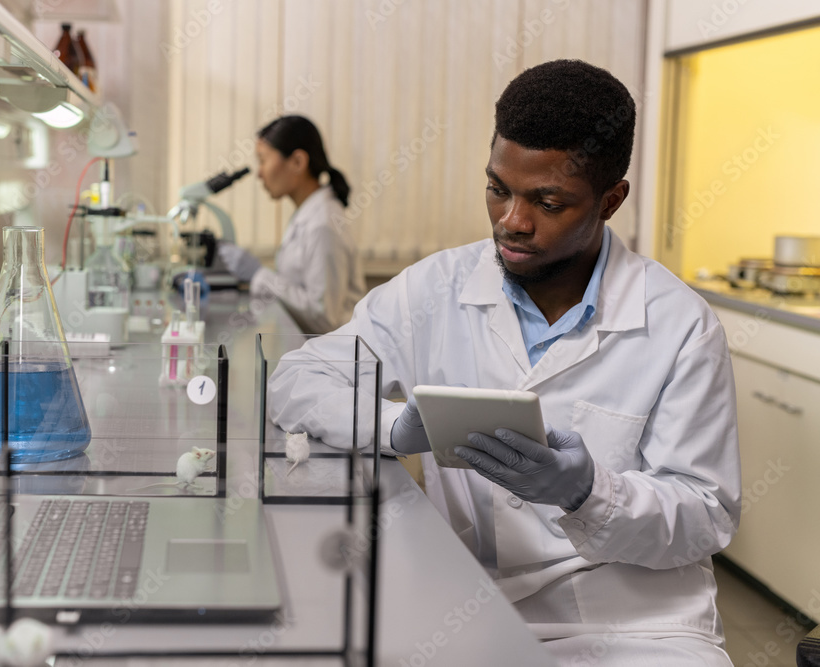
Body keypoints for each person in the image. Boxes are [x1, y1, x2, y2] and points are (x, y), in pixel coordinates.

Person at [266, 60, 741, 665]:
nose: (512, 221)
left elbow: (707, 514)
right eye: (498, 188)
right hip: (464, 602)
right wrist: (391, 426)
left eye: (547, 201)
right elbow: (296, 379)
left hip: (636, 626)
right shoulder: (433, 288)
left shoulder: (681, 326)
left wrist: (591, 493)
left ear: (611, 199)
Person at [217, 115, 366, 334]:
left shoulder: (322, 225)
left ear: (297, 162)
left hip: (336, 358)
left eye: (263, 160)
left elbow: (325, 319)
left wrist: (259, 274)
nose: (259, 174)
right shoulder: (307, 215)